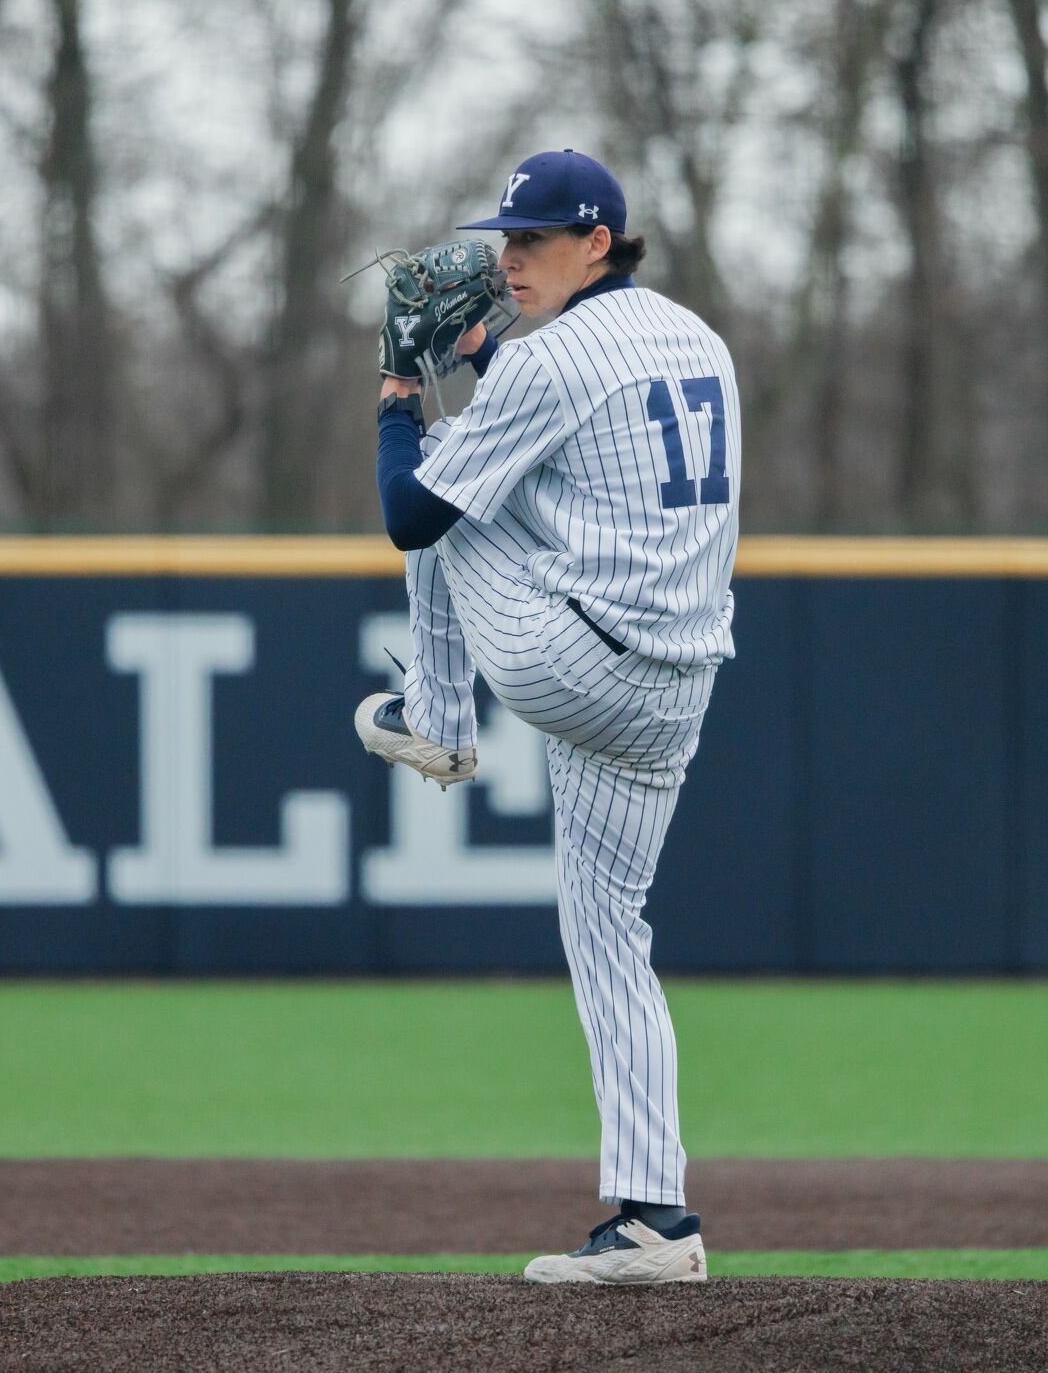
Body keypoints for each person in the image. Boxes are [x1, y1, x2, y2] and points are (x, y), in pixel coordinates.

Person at [354, 149, 738, 1284]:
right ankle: (653, 1220)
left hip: (575, 664)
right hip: (676, 684)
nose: (506, 258)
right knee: (608, 933)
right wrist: (474, 364)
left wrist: (395, 395)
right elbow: (560, 461)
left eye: (530, 240)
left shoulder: (552, 359)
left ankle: (439, 721)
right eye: (505, 237)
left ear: (597, 244)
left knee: (445, 497)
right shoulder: (695, 336)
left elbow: (409, 515)